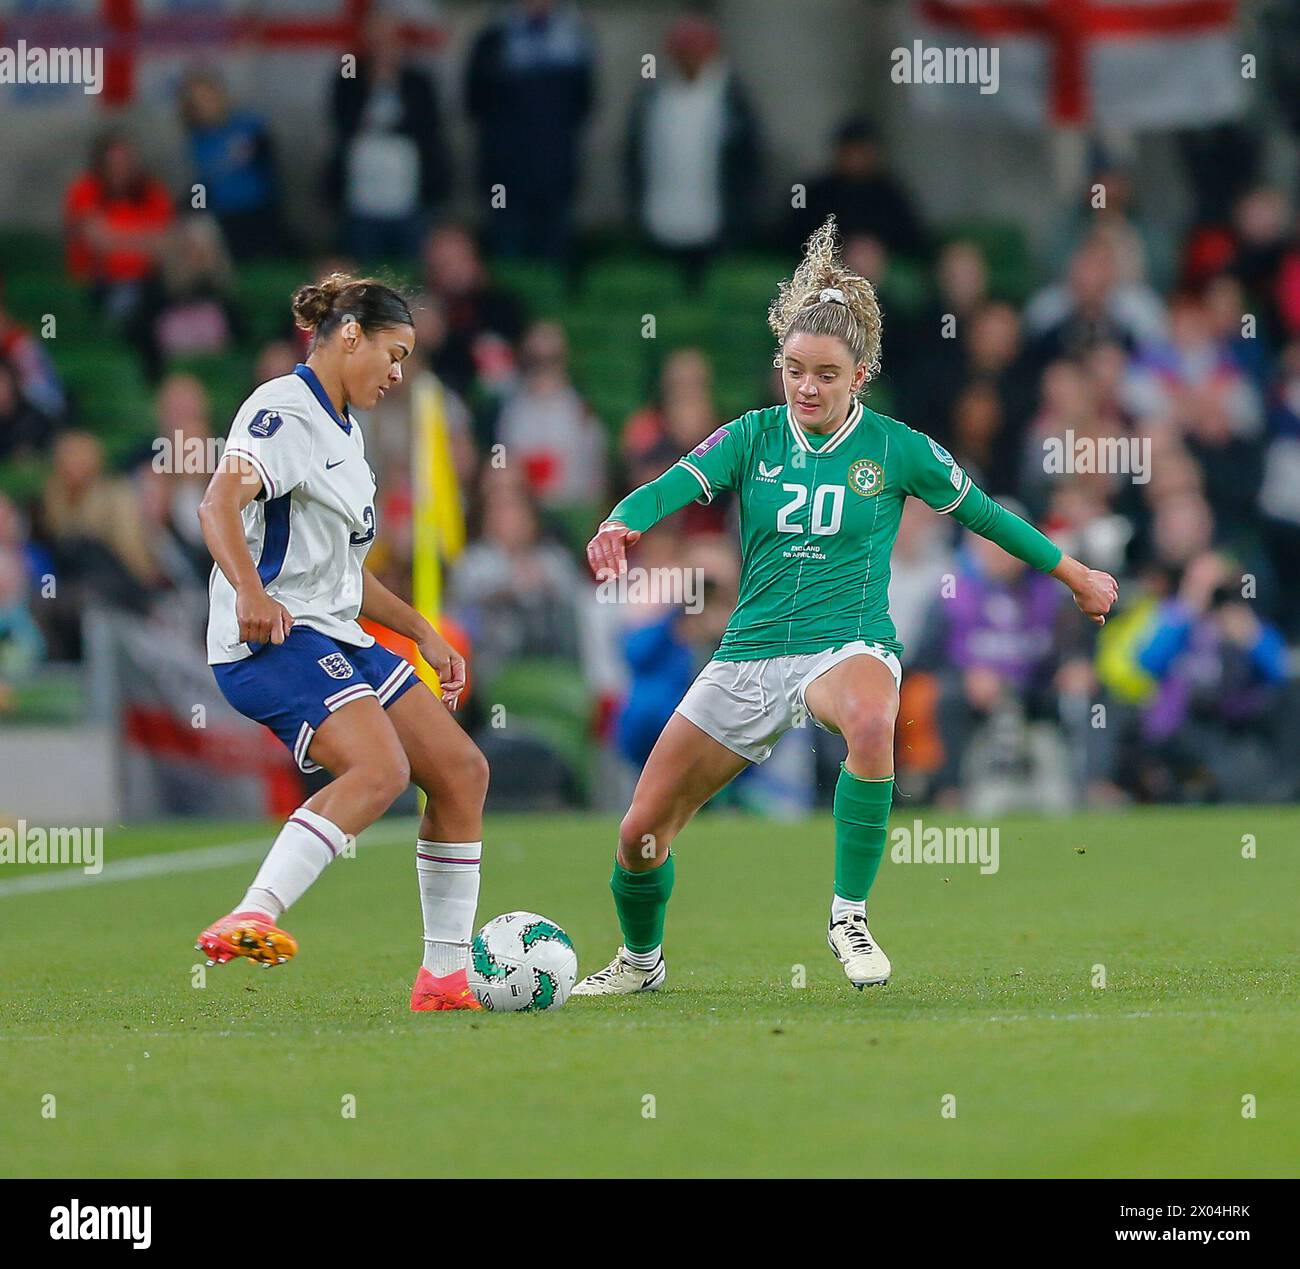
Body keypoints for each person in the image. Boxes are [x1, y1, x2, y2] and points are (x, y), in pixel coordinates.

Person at [573, 218, 1118, 996]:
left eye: (825, 373)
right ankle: (639, 961)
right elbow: (673, 484)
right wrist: (623, 519)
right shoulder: (751, 436)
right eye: (794, 369)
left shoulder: (899, 448)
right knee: (641, 832)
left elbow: (987, 516)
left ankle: (848, 914)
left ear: (858, 375)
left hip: (847, 640)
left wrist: (1074, 573)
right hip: (749, 652)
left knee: (872, 717)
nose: (806, 387)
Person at [195, 274, 489, 1013]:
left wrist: (422, 628)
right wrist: (250, 593)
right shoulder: (281, 409)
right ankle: (252, 912)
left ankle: (444, 978)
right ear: (350, 332)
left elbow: (342, 575)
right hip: (273, 636)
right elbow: (217, 503)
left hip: (333, 628)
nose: (398, 374)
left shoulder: (347, 434)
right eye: (394, 354)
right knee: (381, 767)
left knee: (460, 770)